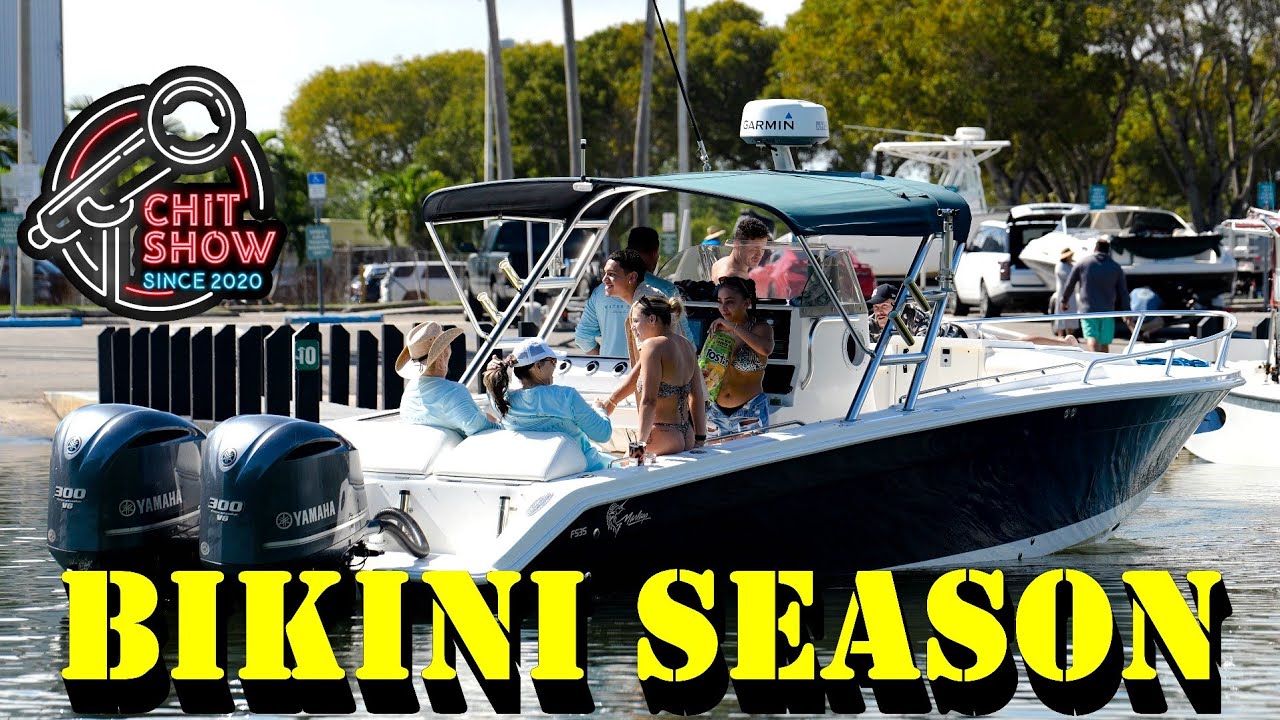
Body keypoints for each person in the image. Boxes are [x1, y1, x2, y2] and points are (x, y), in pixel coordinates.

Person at [483, 338, 615, 472]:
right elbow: (602, 434)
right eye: (553, 361)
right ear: (538, 366)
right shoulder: (566, 396)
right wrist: (600, 409)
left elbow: (492, 388)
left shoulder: (501, 400)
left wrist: (491, 369)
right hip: (584, 469)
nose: (555, 366)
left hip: (535, 470)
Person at [599, 296, 706, 459]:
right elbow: (697, 396)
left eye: (636, 321)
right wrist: (700, 438)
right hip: (687, 435)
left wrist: (639, 445)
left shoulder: (652, 346)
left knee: (620, 465)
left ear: (652, 319)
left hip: (661, 436)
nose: (632, 327)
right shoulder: (686, 345)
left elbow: (649, 400)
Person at [574, 247, 691, 357]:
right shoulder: (648, 298)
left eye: (611, 274)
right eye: (604, 273)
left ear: (632, 277)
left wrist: (606, 363)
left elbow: (650, 357)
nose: (604, 279)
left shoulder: (643, 308)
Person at [397, 321, 501, 436]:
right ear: (441, 358)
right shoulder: (454, 392)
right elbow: (478, 428)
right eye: (448, 346)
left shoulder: (410, 391)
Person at [702, 276, 775, 436]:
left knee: (753, 453)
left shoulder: (759, 328)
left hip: (749, 410)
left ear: (746, 303)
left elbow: (765, 349)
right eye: (720, 302)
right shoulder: (717, 330)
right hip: (715, 412)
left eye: (729, 302)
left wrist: (732, 326)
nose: (723, 308)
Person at [1061, 238, 1130, 352]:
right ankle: (1104, 362)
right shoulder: (1115, 267)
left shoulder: (1083, 263)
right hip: (1108, 310)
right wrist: (1127, 311)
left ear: (1095, 248)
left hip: (1088, 309)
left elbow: (1070, 284)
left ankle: (1093, 360)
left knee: (1091, 337)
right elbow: (1123, 291)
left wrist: (1064, 300)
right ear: (1108, 250)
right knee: (1104, 342)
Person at [711, 216, 770, 283]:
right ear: (737, 244)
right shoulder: (739, 280)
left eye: (763, 248)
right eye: (754, 248)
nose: (759, 254)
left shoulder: (719, 264)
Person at [1053, 248, 1080, 338]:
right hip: (1062, 293)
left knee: (1071, 314)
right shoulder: (1060, 266)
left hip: (1071, 294)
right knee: (1061, 314)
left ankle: (1070, 335)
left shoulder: (1070, 265)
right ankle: (1061, 335)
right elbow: (1069, 278)